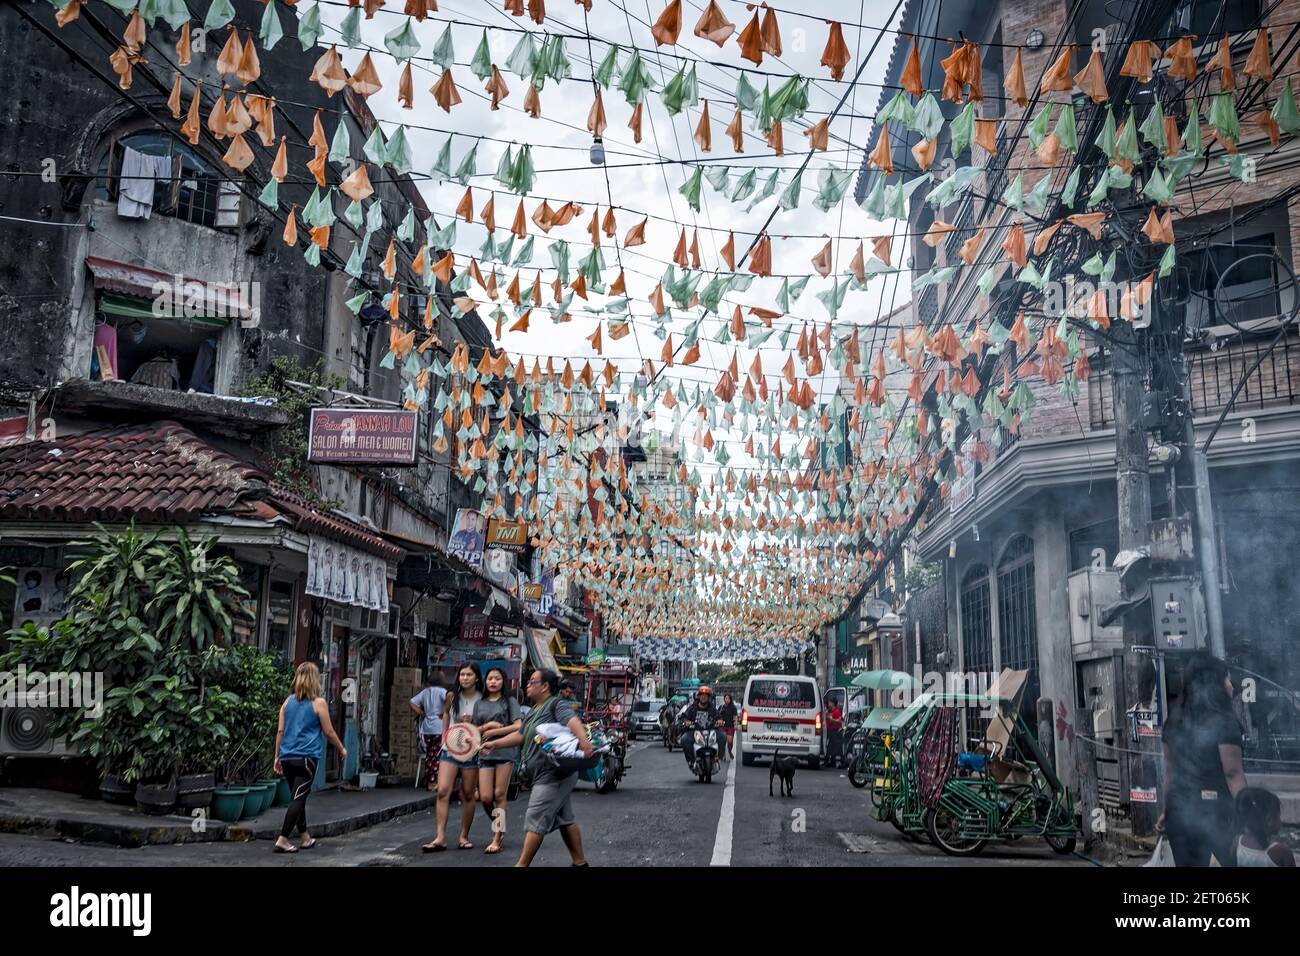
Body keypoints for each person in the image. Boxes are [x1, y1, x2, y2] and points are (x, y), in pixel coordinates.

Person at [480, 669, 594, 867]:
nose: (528, 685)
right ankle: (580, 863)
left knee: (530, 815)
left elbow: (572, 720)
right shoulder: (532, 709)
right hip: (529, 770)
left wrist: (584, 741)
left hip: (549, 772)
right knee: (565, 819)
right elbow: (522, 735)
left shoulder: (549, 703)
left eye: (532, 681)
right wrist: (494, 743)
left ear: (545, 686)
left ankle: (518, 861)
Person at [1156, 654, 1248, 866]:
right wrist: (1248, 820)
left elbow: (1170, 774)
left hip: (1180, 814)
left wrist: (1167, 811)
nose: (1231, 684)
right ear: (1214, 684)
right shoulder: (1224, 722)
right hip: (1216, 814)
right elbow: (1233, 774)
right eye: (1226, 678)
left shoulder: (1174, 720)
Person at [273, 662, 346, 854]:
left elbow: (280, 731)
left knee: (299, 796)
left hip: (288, 757)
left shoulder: (287, 703)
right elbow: (328, 731)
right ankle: (283, 838)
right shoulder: (318, 703)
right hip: (307, 758)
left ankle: (305, 837)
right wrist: (341, 748)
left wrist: (276, 756)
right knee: (298, 798)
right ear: (315, 680)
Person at [422, 663, 482, 852]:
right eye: (462, 674)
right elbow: (446, 713)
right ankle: (440, 836)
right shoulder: (451, 696)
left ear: (476, 678)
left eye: (469, 674)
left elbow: (486, 722)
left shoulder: (482, 699)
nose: (465, 678)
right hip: (450, 748)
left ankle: (464, 835)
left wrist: (474, 724)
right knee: (442, 791)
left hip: (471, 751)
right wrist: (444, 737)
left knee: (468, 793)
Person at [475, 666, 524, 855]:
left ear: (503, 681)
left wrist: (495, 731)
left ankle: (497, 837)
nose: (493, 682)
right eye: (489, 679)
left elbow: (518, 726)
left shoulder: (509, 701)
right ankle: (499, 825)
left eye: (497, 678)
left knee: (499, 795)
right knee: (486, 797)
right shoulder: (479, 704)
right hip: (485, 753)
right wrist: (485, 728)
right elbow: (474, 729)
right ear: (485, 682)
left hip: (505, 752)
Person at [1231, 787, 1295, 867]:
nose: (1280, 821)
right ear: (1269, 820)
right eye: (1278, 816)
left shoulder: (1237, 842)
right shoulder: (1282, 852)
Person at [409, 672, 447, 792]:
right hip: (438, 726)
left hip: (426, 728)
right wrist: (444, 712)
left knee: (429, 755)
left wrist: (421, 712)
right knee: (436, 756)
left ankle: (427, 779)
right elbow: (450, 702)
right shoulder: (442, 692)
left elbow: (411, 702)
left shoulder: (425, 692)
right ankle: (432, 782)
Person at [677, 687, 726, 769]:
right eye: (702, 695)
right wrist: (686, 721)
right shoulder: (692, 708)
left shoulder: (712, 708)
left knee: (723, 736)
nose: (703, 697)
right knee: (684, 739)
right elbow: (684, 717)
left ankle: (718, 758)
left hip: (711, 731)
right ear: (698, 696)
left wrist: (720, 721)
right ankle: (691, 761)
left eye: (706, 695)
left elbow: (718, 717)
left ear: (709, 697)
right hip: (694, 731)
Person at [717, 693, 739, 759]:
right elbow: (717, 715)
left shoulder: (733, 707)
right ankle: (723, 753)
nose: (727, 700)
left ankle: (729, 751)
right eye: (726, 698)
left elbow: (735, 716)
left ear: (730, 699)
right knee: (723, 740)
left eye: (728, 698)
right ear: (724, 699)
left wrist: (736, 724)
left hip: (730, 726)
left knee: (730, 741)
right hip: (722, 726)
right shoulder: (721, 707)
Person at [826, 699, 845, 767]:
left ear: (833, 703)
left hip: (835, 731)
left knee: (835, 747)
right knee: (831, 747)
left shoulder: (836, 711)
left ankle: (842, 762)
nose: (828, 703)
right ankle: (832, 761)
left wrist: (832, 719)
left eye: (830, 702)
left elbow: (840, 721)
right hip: (830, 731)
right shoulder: (830, 711)